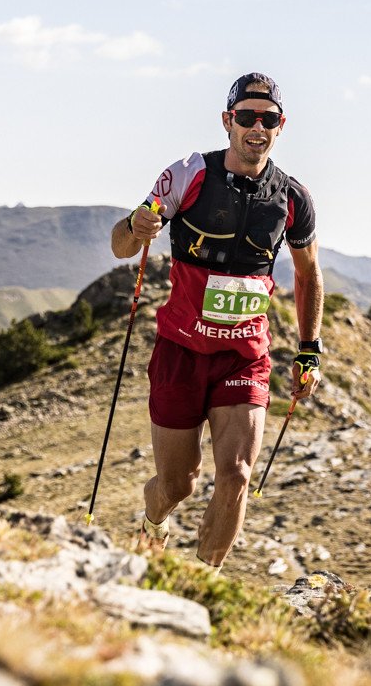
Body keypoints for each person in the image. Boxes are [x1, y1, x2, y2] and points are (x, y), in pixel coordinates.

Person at [109, 72, 323, 569]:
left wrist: (309, 349)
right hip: (181, 353)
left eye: (267, 119)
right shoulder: (187, 175)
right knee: (175, 484)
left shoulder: (293, 197)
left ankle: (202, 588)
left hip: (243, 358)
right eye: (246, 117)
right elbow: (123, 247)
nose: (257, 127)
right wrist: (133, 225)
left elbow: (308, 274)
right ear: (228, 121)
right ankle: (153, 524)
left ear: (280, 125)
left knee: (237, 475)